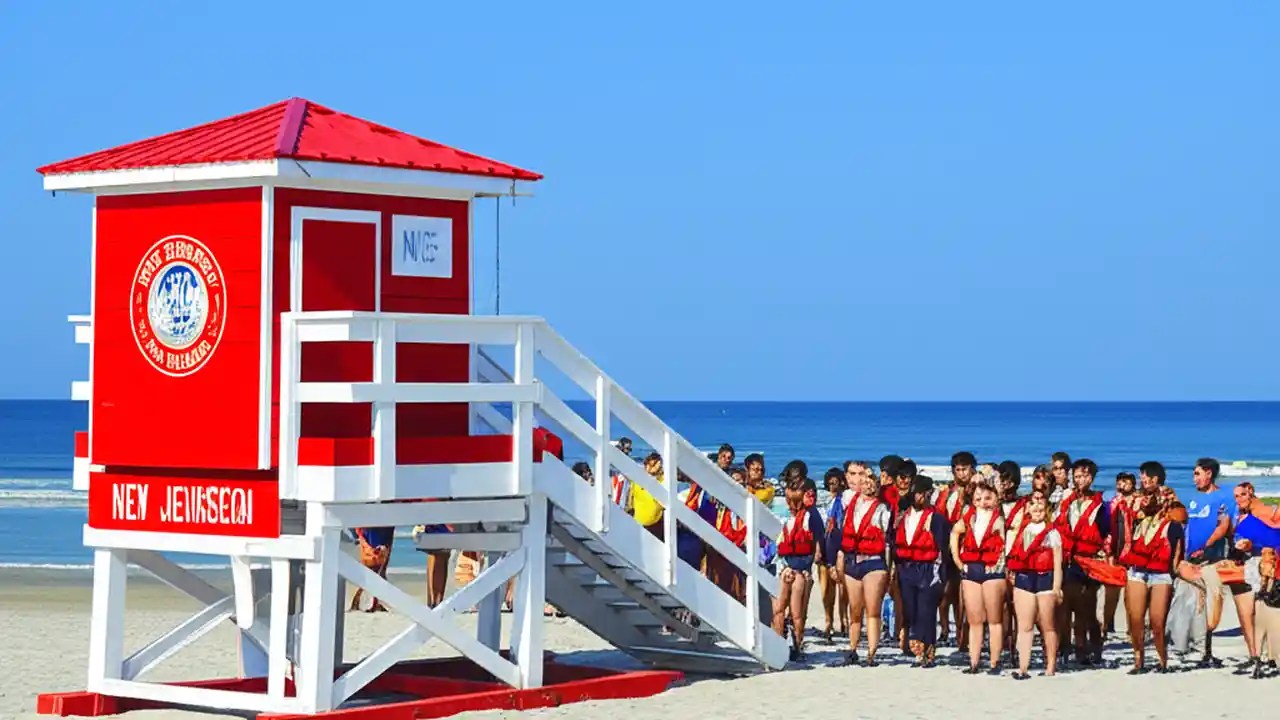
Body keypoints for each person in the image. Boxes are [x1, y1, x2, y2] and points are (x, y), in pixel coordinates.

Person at [1174, 458, 1234, 665]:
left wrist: (1207, 546)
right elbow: (1184, 526)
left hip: (1212, 559)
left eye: (1197, 474)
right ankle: (1187, 645)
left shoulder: (1225, 497)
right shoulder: (1191, 498)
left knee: (1210, 602)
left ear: (1209, 474)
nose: (1194, 478)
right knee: (1188, 601)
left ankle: (1206, 649)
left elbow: (1224, 526)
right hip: (1190, 559)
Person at [1120, 486, 1184, 673]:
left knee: (1157, 621)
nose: (1147, 501)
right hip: (1137, 572)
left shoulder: (1173, 524)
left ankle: (1162, 659)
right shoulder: (1136, 520)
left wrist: (1177, 574)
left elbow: (1178, 552)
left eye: (1152, 497)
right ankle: (1138, 660)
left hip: (1161, 574)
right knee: (1135, 619)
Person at [836, 461, 893, 667]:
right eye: (865, 482)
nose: (868, 485)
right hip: (853, 559)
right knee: (855, 610)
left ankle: (871, 653)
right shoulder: (851, 501)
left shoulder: (883, 509)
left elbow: (887, 538)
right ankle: (852, 649)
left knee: (873, 609)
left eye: (872, 482)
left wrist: (890, 568)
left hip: (874, 562)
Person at [1054, 458, 1110, 667]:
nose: (1080, 480)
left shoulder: (1100, 506)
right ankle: (1069, 648)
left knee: (1087, 607)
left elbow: (1106, 532)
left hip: (1090, 561)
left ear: (1092, 478)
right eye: (1076, 476)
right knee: (1067, 605)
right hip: (1070, 559)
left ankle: (1093, 648)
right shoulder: (1067, 503)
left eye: (1085, 476)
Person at [950, 481, 1008, 674]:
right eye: (978, 498)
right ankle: (973, 662)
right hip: (971, 570)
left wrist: (1001, 564)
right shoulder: (969, 518)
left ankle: (994, 662)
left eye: (987, 498)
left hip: (993, 572)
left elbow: (1007, 544)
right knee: (974, 620)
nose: (983, 502)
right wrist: (958, 560)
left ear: (996, 499)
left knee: (994, 619)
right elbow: (955, 533)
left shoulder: (999, 520)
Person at [895, 475, 951, 667]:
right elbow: (894, 542)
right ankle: (916, 648)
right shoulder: (903, 516)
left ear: (928, 494)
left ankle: (928, 650)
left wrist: (943, 576)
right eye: (914, 492)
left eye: (921, 493)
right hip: (907, 567)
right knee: (910, 609)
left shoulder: (936, 519)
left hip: (928, 568)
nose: (917, 496)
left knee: (926, 610)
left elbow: (943, 549)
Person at [1005, 491, 1063, 678]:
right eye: (1033, 503)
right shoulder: (1022, 530)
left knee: (1048, 625)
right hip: (1024, 578)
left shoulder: (1053, 533)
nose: (1037, 507)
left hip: (1045, 577)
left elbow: (1057, 562)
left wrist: (1056, 587)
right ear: (1028, 508)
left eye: (1041, 504)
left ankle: (1050, 666)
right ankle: (1023, 667)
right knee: (1025, 625)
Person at [773, 463, 826, 661]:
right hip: (794, 566)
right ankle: (792, 645)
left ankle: (789, 644)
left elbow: (817, 545)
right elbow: (818, 545)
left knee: (789, 609)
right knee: (791, 610)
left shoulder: (806, 517)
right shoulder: (807, 517)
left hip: (792, 566)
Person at [935, 451, 975, 648]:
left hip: (968, 549)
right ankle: (944, 630)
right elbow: (938, 518)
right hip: (947, 549)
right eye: (958, 470)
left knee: (963, 596)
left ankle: (963, 636)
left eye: (965, 469)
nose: (961, 474)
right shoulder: (946, 493)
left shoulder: (978, 493)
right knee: (944, 593)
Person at [1103, 471, 1137, 635]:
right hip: (1114, 552)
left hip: (1133, 553)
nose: (1123, 484)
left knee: (1131, 595)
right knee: (1112, 593)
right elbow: (1107, 529)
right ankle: (1107, 625)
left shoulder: (1138, 503)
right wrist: (1107, 551)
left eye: (1127, 481)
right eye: (1120, 481)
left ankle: (1132, 627)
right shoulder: (1112, 503)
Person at [818, 466, 849, 641]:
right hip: (825, 546)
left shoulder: (844, 502)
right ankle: (828, 620)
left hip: (840, 545)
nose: (833, 487)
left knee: (843, 586)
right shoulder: (823, 502)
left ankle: (843, 620)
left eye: (836, 483)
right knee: (826, 588)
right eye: (830, 484)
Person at [350, 526, 395, 612]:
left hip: (377, 524)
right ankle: (364, 601)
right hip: (376, 524)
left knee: (377, 565)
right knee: (374, 563)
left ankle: (372, 601)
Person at [631, 452, 667, 538]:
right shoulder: (638, 478)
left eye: (659, 465)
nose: (657, 467)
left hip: (655, 523)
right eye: (653, 464)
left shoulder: (664, 480)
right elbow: (631, 497)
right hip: (638, 521)